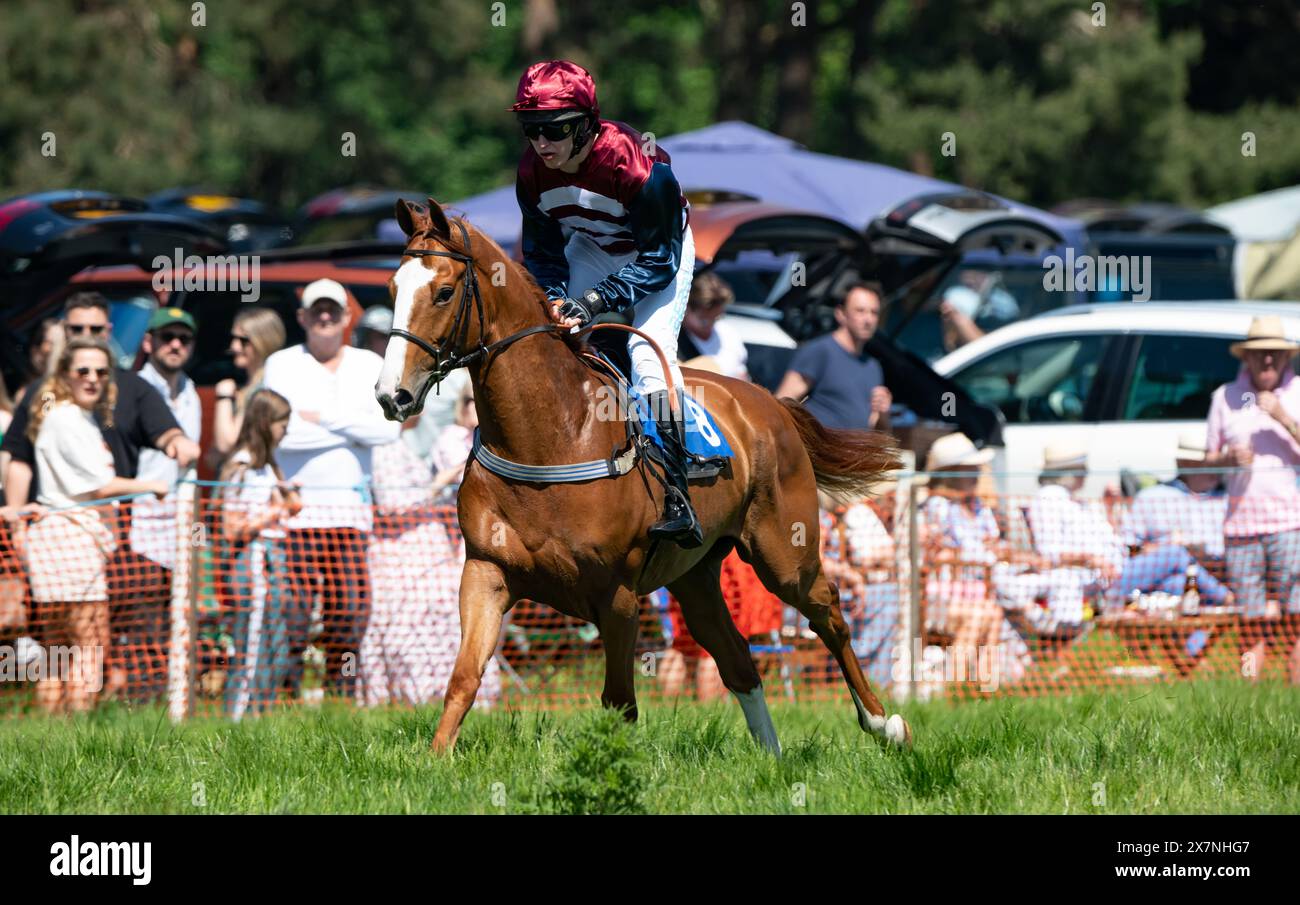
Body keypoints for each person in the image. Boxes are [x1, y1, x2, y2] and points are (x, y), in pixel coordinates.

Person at [512, 59, 701, 547]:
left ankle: (680, 496)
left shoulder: (639, 165)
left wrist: (596, 301)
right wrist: (556, 299)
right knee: (556, 339)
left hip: (659, 253)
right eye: (531, 130)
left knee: (649, 358)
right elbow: (542, 253)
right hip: (594, 248)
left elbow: (660, 261)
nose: (541, 143)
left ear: (586, 124)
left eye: (554, 130)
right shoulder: (531, 172)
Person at [262, 278, 402, 697]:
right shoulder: (281, 364)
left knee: (351, 610)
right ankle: (286, 695)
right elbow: (280, 435)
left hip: (352, 517)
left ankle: (340, 694)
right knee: (295, 612)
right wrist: (351, 425)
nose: (325, 317)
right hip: (297, 514)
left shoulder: (366, 363)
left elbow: (388, 431)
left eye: (333, 311)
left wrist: (320, 417)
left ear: (346, 317)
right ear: (302, 317)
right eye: (316, 310)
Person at [13, 339, 168, 712]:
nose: (93, 378)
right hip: (70, 542)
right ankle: (77, 739)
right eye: (83, 370)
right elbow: (99, 486)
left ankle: (51, 743)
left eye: (101, 371)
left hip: (63, 540)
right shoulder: (67, 419)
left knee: (57, 648)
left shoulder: (75, 418)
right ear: (65, 374)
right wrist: (151, 485)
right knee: (89, 644)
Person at [359, 412, 501, 709]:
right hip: (401, 558)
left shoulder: (400, 445)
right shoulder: (384, 449)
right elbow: (391, 504)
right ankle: (414, 695)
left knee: (443, 620)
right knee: (406, 626)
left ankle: (452, 695)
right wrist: (438, 484)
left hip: (422, 552)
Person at [1203, 316, 1300, 679]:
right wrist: (1227, 459)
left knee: (1296, 617)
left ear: (1286, 357)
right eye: (1260, 355)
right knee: (1250, 618)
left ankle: (1295, 691)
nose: (1268, 361)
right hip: (1241, 526)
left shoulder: (1297, 393)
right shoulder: (1224, 398)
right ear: (1247, 358)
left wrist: (1284, 418)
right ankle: (1249, 689)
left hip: (1291, 524)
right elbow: (1205, 467)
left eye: (1274, 354)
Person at [123, 307, 205, 699]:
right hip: (138, 528)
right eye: (166, 337)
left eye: (183, 339)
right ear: (148, 342)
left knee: (177, 621)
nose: (175, 345)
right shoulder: (130, 388)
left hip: (179, 528)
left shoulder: (191, 391)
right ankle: (140, 704)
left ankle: (168, 701)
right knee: (142, 624)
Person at [218, 389, 303, 720]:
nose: (286, 431)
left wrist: (288, 499)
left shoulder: (268, 466)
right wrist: (273, 511)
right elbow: (230, 527)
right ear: (267, 423)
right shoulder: (241, 466)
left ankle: (259, 720)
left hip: (273, 561)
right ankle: (235, 722)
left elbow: (282, 507)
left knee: (278, 651)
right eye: (283, 424)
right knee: (252, 650)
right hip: (253, 561)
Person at [1111, 433, 1231, 607]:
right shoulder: (1152, 497)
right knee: (1176, 555)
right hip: (1155, 571)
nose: (1217, 469)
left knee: (1179, 584)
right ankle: (1224, 597)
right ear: (1186, 464)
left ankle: (1197, 632)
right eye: (1210, 462)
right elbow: (1129, 549)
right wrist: (1162, 548)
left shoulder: (1225, 500)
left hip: (1201, 574)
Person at [774, 283, 892, 431]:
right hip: (817, 452)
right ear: (840, 314)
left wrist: (884, 413)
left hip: (856, 453)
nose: (868, 319)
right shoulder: (820, 351)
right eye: (860, 311)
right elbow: (780, 406)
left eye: (874, 312)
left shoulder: (873, 366)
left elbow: (878, 430)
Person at [210, 306, 287, 463]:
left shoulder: (265, 388)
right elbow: (212, 458)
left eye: (243, 341)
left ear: (264, 341)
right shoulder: (251, 386)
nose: (234, 347)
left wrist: (223, 397)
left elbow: (225, 444)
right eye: (233, 339)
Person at [677, 272, 748, 381]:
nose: (710, 325)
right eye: (704, 321)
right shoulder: (673, 346)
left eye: (716, 318)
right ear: (686, 308)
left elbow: (743, 375)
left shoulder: (729, 334)